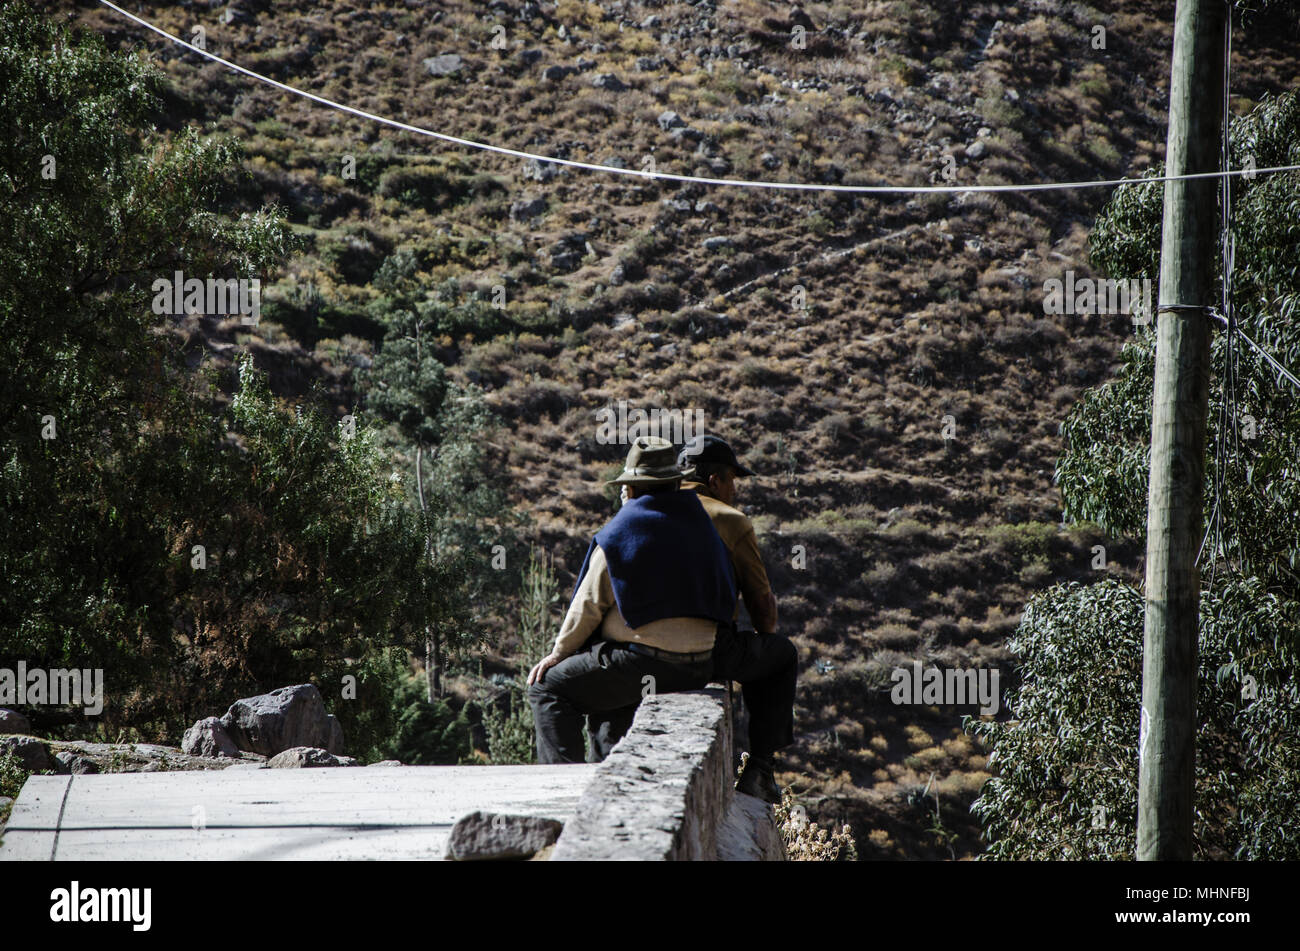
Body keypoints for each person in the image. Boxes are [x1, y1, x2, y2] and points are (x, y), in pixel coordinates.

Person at [526, 436, 737, 765]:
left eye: (626, 486)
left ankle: (559, 781)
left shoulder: (625, 529)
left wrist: (558, 654)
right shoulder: (701, 522)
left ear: (635, 488)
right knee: (610, 679)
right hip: (699, 665)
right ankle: (607, 766)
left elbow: (589, 605)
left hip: (648, 664)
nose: (623, 493)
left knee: (548, 689)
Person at [677, 434, 797, 804]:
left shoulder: (649, 508)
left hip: (643, 646)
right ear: (714, 480)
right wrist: (765, 638)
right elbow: (762, 606)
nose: (734, 490)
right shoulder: (730, 520)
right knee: (779, 654)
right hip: (709, 650)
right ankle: (759, 770)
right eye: (732, 480)